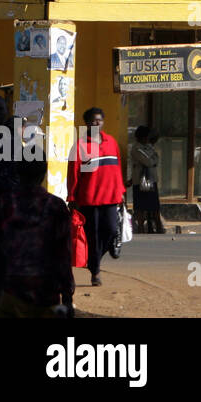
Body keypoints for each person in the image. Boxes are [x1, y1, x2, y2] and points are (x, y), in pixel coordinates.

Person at [0, 153, 75, 317]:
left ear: (17, 171)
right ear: (44, 172)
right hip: (45, 295)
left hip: (10, 291)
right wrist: (67, 298)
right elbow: (64, 255)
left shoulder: (4, 203)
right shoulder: (56, 206)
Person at [67, 108, 126, 287]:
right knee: (92, 236)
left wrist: (121, 191)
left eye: (99, 120)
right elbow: (73, 174)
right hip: (88, 199)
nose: (96, 123)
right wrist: (72, 197)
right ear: (86, 123)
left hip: (111, 197)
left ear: (103, 122)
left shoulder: (112, 142)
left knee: (110, 229)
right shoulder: (80, 146)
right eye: (93, 121)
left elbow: (117, 169)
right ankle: (96, 272)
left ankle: (93, 260)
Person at [129, 126, 165, 234]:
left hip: (152, 180)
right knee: (140, 207)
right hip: (140, 181)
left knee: (154, 207)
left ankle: (158, 227)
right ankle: (141, 228)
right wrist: (153, 159)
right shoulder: (136, 148)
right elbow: (148, 161)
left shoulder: (148, 147)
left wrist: (153, 158)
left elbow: (156, 159)